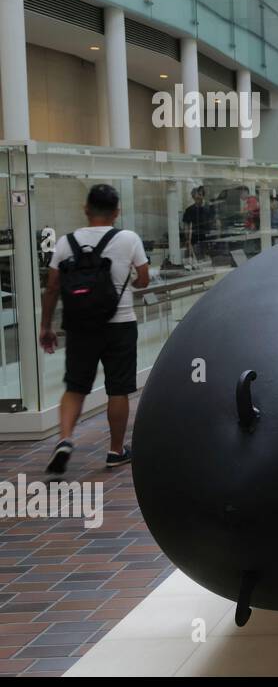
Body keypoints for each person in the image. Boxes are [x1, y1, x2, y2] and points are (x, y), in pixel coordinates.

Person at [41, 184, 150, 473]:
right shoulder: (128, 238)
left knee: (75, 387)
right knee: (118, 389)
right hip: (120, 324)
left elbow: (52, 288)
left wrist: (46, 326)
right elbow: (144, 279)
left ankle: (65, 439)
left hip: (79, 327)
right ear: (117, 212)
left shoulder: (66, 243)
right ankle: (116, 451)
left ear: (86, 209)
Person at [181, 185, 215, 260]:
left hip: (207, 238)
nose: (197, 197)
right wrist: (187, 239)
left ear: (203, 195)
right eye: (195, 195)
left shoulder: (209, 208)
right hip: (194, 239)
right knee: (196, 258)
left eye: (199, 195)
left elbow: (214, 223)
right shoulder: (189, 210)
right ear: (193, 197)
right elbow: (186, 225)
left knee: (208, 258)